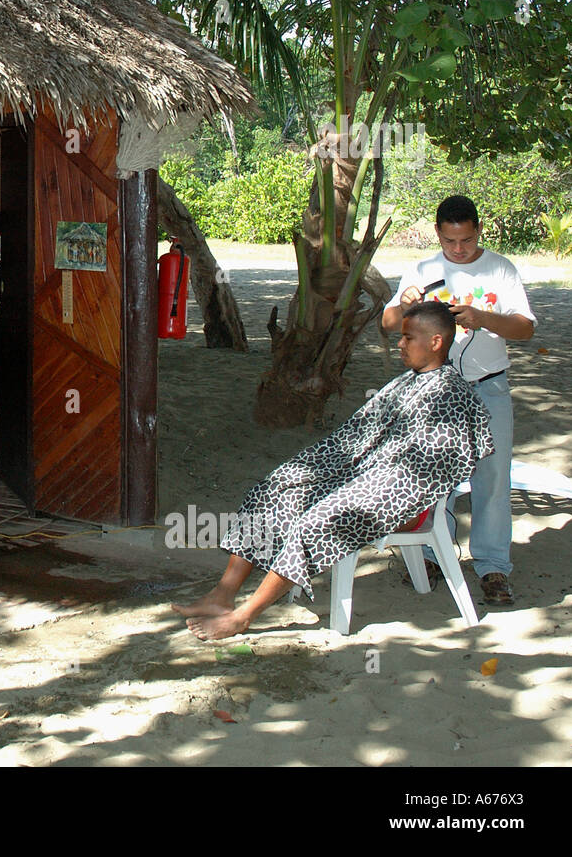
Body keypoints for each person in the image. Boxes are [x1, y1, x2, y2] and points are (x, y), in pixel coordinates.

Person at [176, 301, 494, 640]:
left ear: (435, 342)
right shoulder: (409, 381)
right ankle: (223, 595)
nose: (399, 344)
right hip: (364, 478)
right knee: (273, 490)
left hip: (399, 500)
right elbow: (356, 435)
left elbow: (422, 473)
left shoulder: (450, 395)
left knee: (315, 519)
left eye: (408, 338)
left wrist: (352, 488)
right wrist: (325, 475)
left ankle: (244, 615)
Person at [380, 195, 535, 605]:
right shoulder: (424, 268)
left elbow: (524, 329)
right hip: (434, 387)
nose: (459, 250)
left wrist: (482, 318)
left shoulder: (500, 268)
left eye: (466, 240)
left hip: (489, 384)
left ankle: (493, 566)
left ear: (478, 231)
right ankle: (433, 554)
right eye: (450, 241)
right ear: (438, 233)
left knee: (493, 475)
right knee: (432, 475)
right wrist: (407, 304)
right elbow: (389, 323)